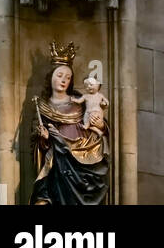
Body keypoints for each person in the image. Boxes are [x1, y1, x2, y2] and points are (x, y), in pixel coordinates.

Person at [30, 47, 109, 206]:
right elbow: (36, 141)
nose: (64, 80)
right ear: (50, 78)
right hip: (60, 159)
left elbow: (99, 124)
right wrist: (44, 139)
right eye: (59, 76)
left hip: (84, 154)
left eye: (68, 77)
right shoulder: (43, 106)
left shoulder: (79, 100)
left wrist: (100, 126)